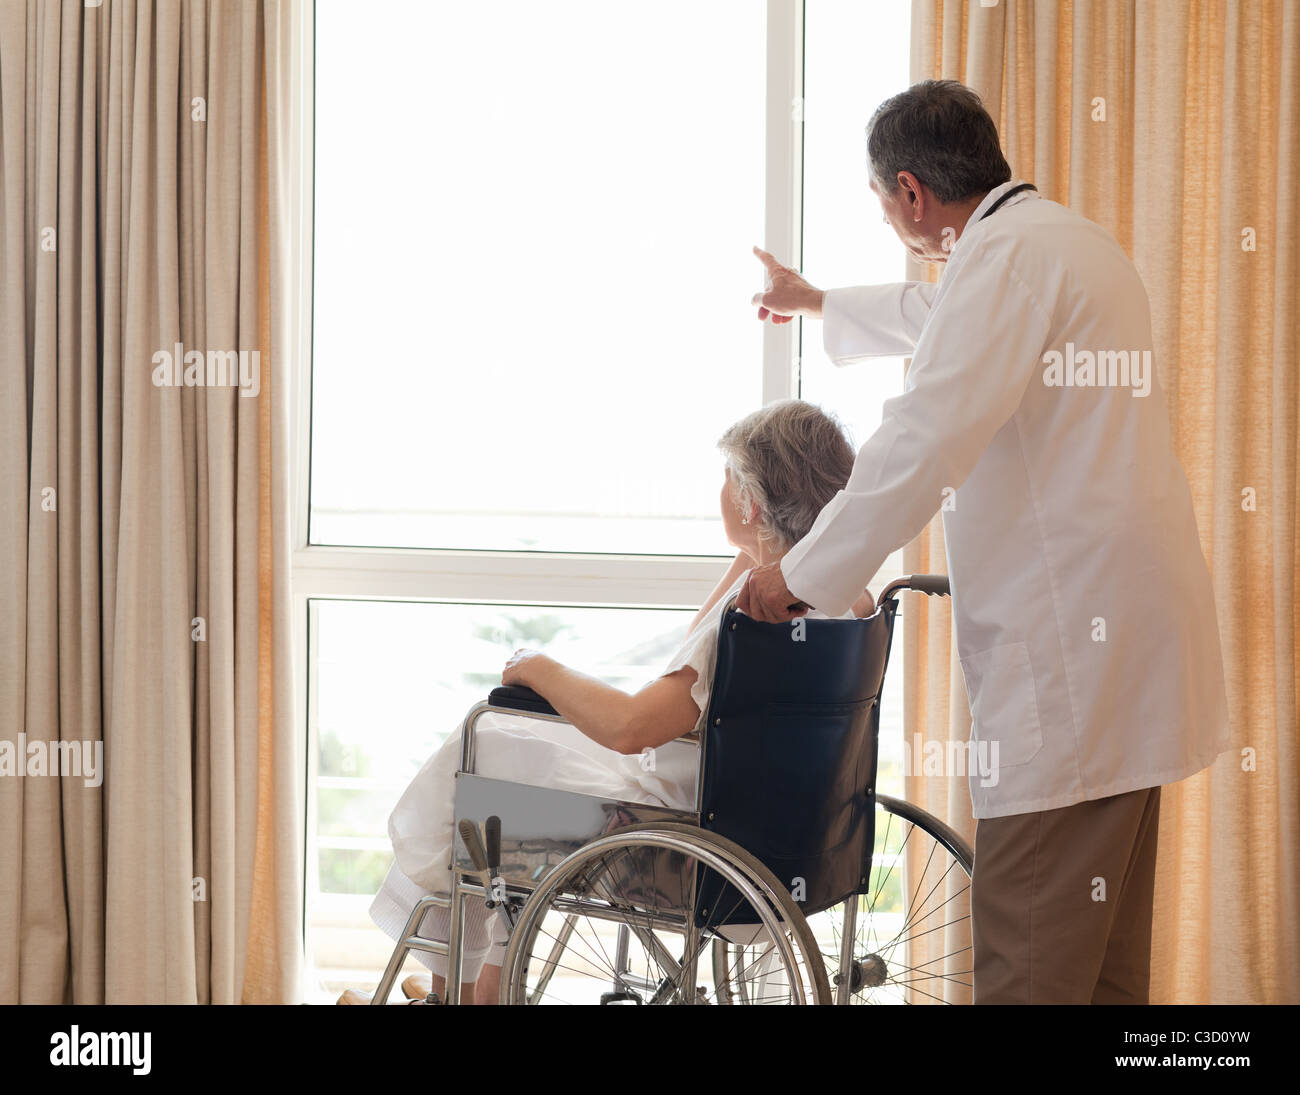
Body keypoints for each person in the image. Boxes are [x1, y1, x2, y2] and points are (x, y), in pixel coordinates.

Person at [742, 79, 1231, 1004]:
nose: (891, 220)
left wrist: (799, 576)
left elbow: (924, 434)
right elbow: (943, 325)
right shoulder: (1062, 243)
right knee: (1107, 969)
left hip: (1072, 661)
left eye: (884, 203)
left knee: (1032, 965)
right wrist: (817, 302)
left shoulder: (1003, 265)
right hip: (1131, 644)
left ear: (911, 191)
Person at [338, 399, 875, 1004]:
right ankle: (482, 987)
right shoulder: (849, 602)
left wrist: (536, 668)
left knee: (480, 748)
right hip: (779, 838)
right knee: (513, 788)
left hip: (675, 828)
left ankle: (453, 989)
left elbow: (631, 727)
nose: (720, 489)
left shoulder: (747, 623)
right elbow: (690, 650)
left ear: (750, 501)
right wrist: (761, 547)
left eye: (729, 477)